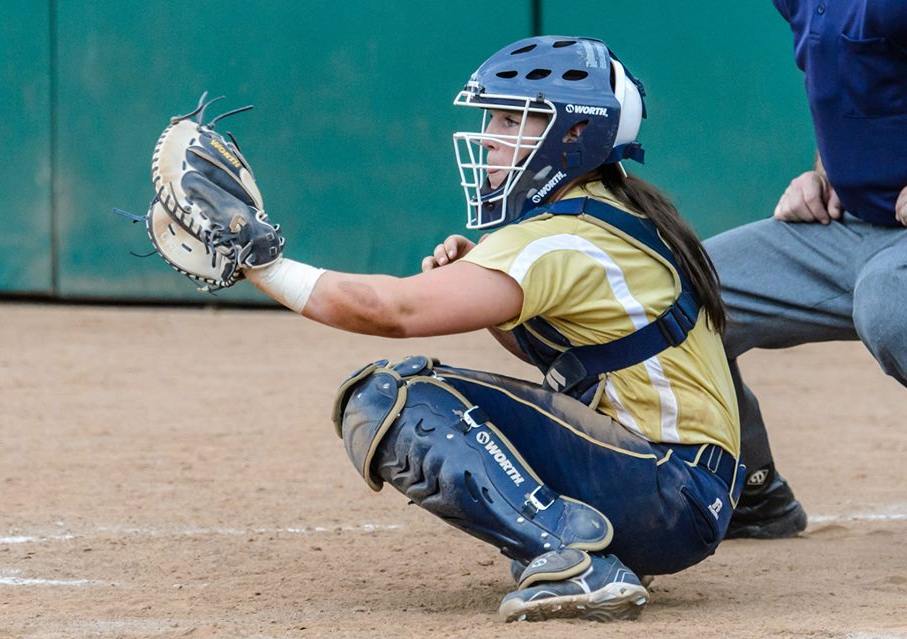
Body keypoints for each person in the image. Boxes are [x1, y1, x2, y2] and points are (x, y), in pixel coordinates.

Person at [240, 36, 744, 622]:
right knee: (424, 395)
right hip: (684, 490)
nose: (490, 137)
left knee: (389, 398)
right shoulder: (609, 211)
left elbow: (392, 311)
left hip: (669, 494)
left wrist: (260, 263)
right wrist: (480, 286)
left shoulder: (563, 237)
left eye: (512, 119)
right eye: (493, 117)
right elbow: (579, 355)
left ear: (575, 134)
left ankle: (577, 560)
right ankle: (583, 543)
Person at [705, 0, 907, 540]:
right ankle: (750, 491)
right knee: (676, 294)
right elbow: (848, 86)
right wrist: (829, 169)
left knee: (893, 304)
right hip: (851, 226)